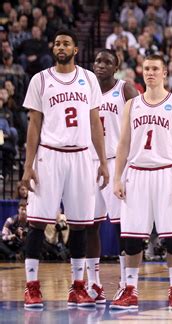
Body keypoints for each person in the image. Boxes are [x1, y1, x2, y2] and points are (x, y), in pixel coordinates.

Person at [21, 29, 109, 309]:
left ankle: (78, 286)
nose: (61, 46)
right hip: (49, 155)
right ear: (53, 48)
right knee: (37, 222)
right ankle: (32, 286)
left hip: (82, 156)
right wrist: (28, 166)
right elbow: (33, 125)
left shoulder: (88, 78)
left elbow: (96, 123)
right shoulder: (40, 79)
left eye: (66, 43)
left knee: (81, 225)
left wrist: (103, 161)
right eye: (57, 43)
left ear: (74, 49)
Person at [112, 54, 172, 310]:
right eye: (146, 68)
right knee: (133, 238)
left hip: (167, 172)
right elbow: (122, 144)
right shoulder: (132, 105)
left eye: (155, 68)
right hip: (136, 173)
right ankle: (131, 289)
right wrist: (117, 177)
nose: (150, 72)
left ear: (165, 72)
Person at [85, 49, 139, 304]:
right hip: (89, 161)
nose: (101, 65)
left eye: (107, 62)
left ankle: (125, 282)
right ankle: (93, 283)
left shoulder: (125, 89)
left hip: (117, 163)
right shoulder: (84, 89)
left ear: (116, 67)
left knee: (122, 227)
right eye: (98, 61)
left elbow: (143, 122)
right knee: (88, 225)